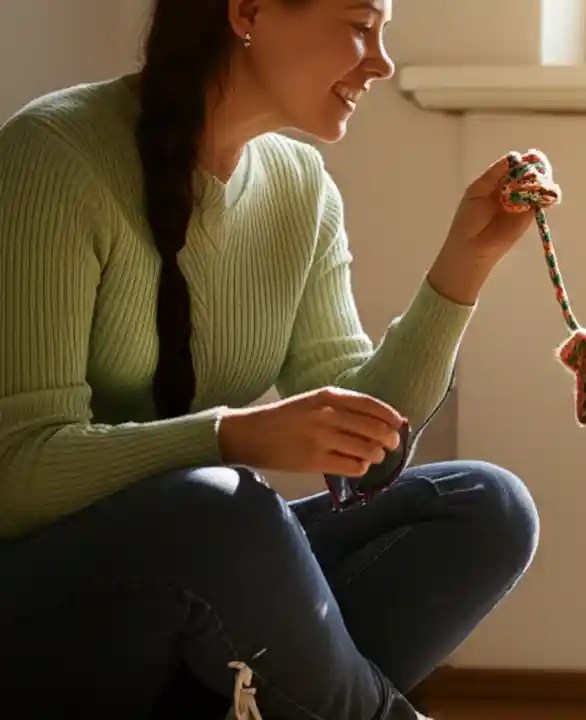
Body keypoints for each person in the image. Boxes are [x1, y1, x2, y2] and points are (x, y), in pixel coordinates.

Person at [0, 0, 539, 717]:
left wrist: (464, 266)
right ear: (248, 10)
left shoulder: (301, 188)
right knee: (223, 511)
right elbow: (16, 472)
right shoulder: (53, 154)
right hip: (40, 609)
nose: (381, 62)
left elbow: (368, 460)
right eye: (359, 24)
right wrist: (229, 436)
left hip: (189, 587)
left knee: (487, 506)